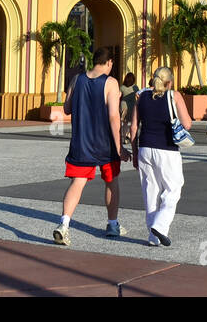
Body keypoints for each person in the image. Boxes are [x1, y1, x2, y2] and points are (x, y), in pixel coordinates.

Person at [54, 47, 124, 245]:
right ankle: (112, 224)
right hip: (105, 143)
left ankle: (64, 224)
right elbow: (113, 116)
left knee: (77, 183)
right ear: (109, 62)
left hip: (81, 142)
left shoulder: (77, 80)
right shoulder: (111, 83)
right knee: (111, 181)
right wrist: (119, 146)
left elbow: (67, 109)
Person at [130, 66, 191, 246]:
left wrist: (134, 153)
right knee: (173, 188)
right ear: (169, 82)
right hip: (167, 148)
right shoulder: (174, 96)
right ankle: (161, 226)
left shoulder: (141, 97)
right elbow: (187, 123)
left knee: (151, 191)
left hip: (145, 148)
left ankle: (153, 236)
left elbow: (133, 128)